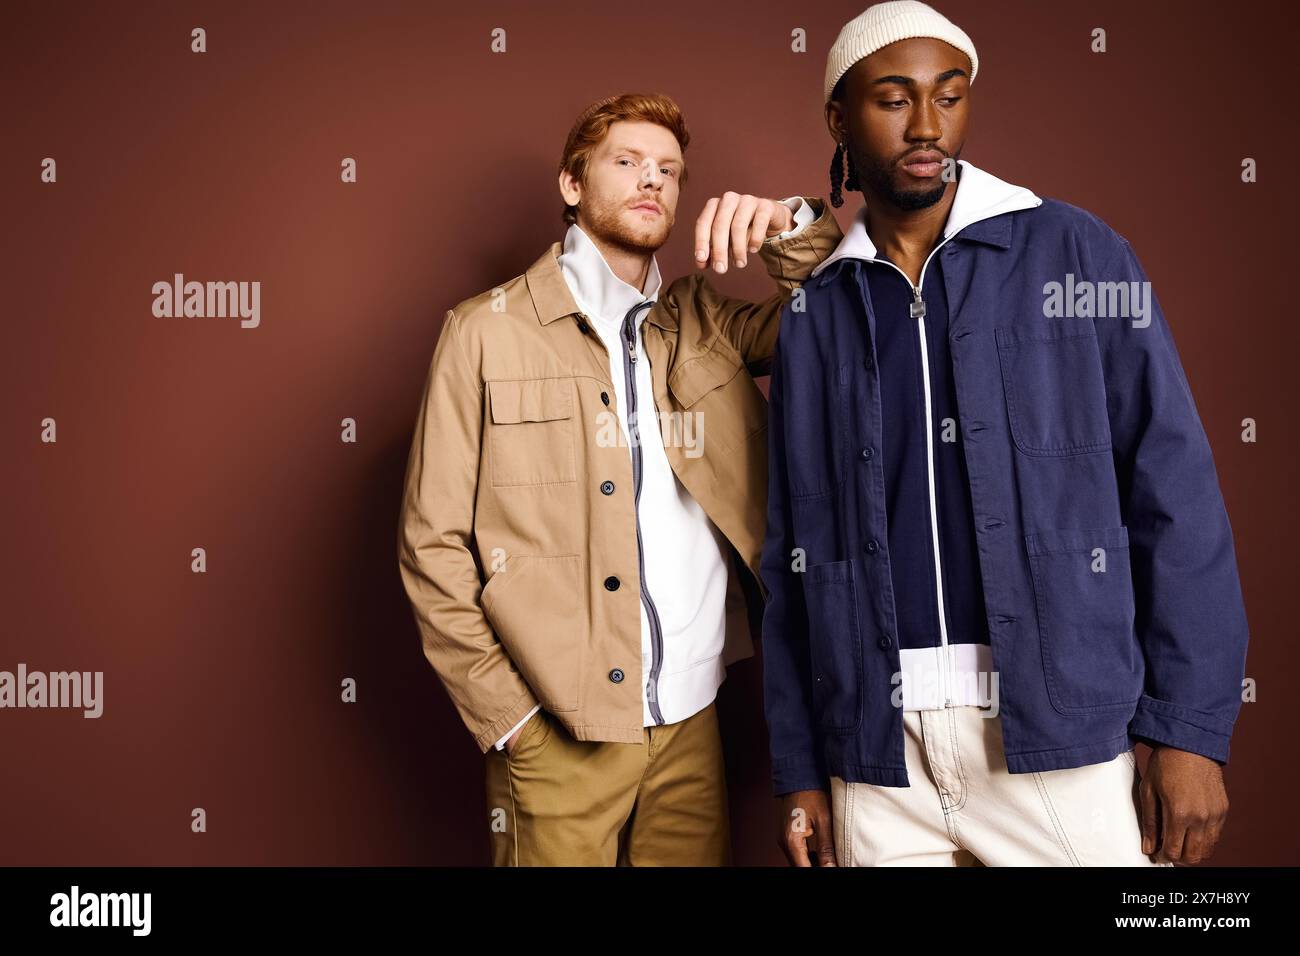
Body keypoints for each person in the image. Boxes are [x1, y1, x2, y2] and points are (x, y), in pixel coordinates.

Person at [761, 1, 1249, 866]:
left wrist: (1191, 728)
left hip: (1055, 740)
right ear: (839, 117)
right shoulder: (817, 309)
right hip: (876, 756)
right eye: (893, 98)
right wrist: (802, 766)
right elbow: (793, 548)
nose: (926, 125)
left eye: (949, 96)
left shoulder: (1076, 254)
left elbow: (1174, 491)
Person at [397, 92, 842, 865]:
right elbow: (430, 546)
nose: (653, 182)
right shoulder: (483, 332)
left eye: (669, 170)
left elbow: (834, 326)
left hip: (692, 724)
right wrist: (512, 722)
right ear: (572, 185)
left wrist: (790, 228)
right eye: (627, 162)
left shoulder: (702, 318)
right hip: (557, 738)